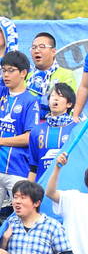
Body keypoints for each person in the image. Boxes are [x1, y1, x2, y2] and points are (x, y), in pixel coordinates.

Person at [0, 50, 41, 208]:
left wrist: (1, 141)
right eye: (4, 70)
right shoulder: (2, 92)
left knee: (23, 213)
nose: (6, 75)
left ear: (23, 72)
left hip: (17, 170)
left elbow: (29, 138)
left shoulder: (31, 101)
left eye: (11, 70)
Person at [28, 82, 77, 176]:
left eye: (61, 96)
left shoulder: (76, 129)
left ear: (69, 104)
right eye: (53, 95)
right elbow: (33, 167)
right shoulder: (36, 130)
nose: (55, 98)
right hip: (41, 185)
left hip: (67, 184)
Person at [27, 32, 78, 118]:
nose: (37, 50)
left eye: (42, 47)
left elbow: (64, 105)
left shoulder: (66, 75)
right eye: (34, 47)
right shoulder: (27, 76)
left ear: (53, 51)